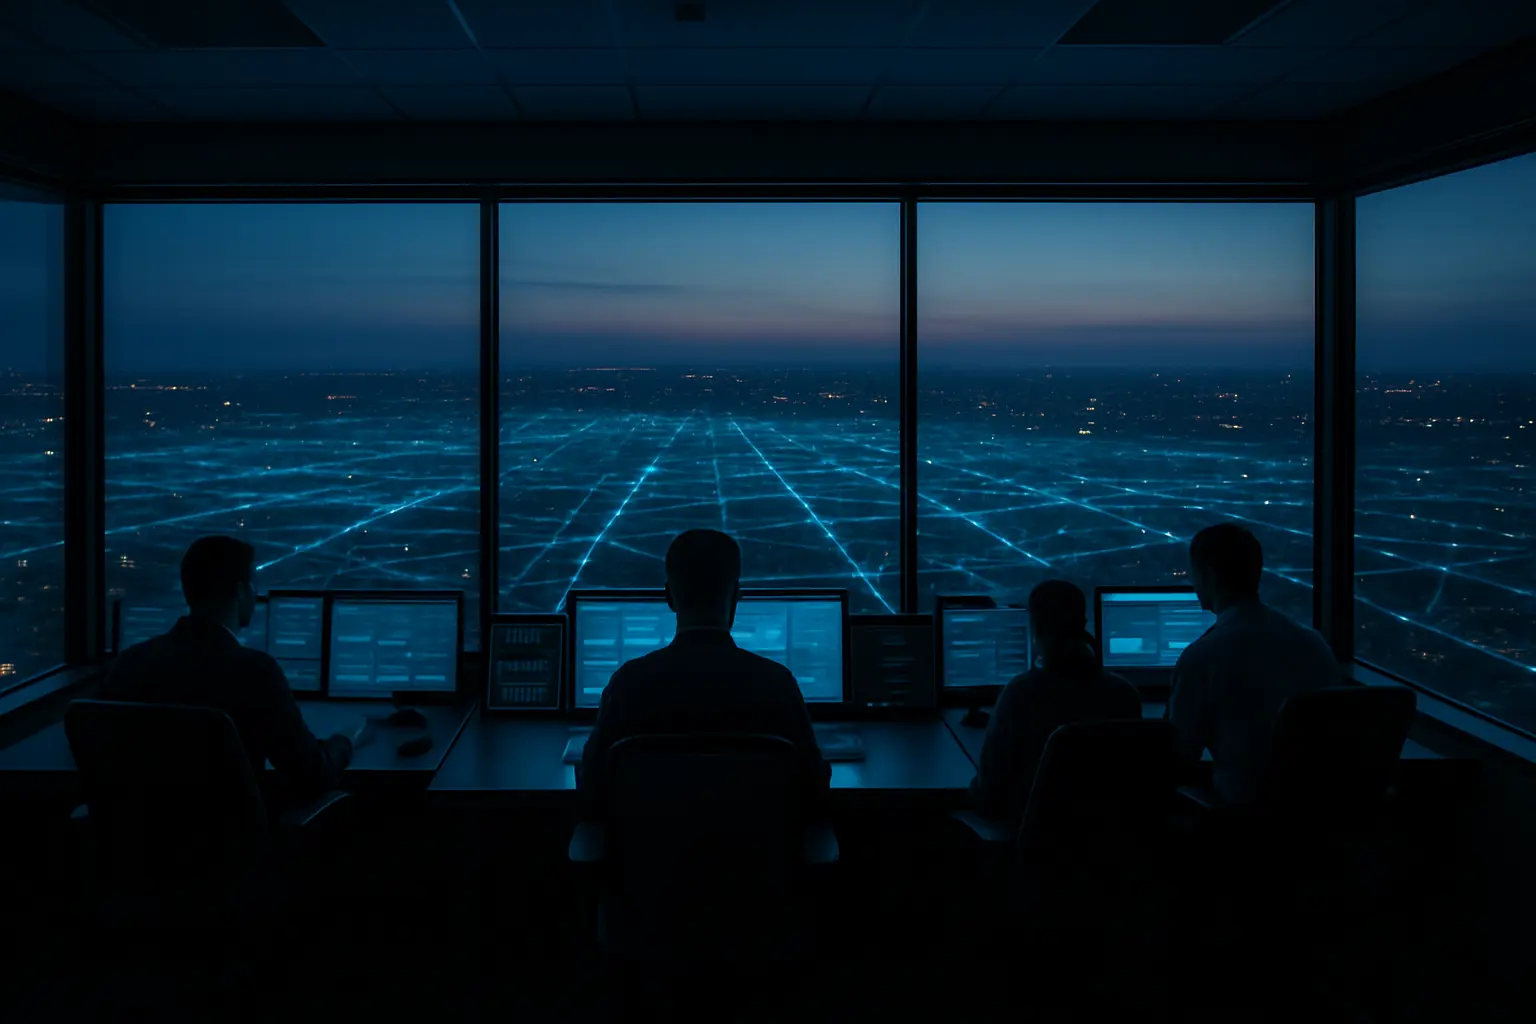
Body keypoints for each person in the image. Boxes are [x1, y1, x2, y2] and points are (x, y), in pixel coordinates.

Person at [577, 529, 830, 810]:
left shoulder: (627, 684)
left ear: (669, 597)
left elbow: (592, 783)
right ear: (736, 595)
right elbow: (814, 786)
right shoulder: (777, 684)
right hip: (759, 850)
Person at [102, 535, 370, 794]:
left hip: (141, 834)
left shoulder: (130, 663)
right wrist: (346, 738)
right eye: (253, 585)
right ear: (241, 592)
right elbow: (313, 774)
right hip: (232, 837)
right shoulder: (255, 671)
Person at [1168, 523, 1341, 804]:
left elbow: (1181, 754)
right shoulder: (1313, 643)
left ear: (1209, 576)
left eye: (1193, 573)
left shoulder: (1203, 655)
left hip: (1243, 816)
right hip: (1321, 812)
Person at [970, 580, 1142, 827]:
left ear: (1035, 627)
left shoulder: (1020, 694)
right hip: (1112, 842)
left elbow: (988, 790)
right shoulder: (1125, 694)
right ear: (1083, 625)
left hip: (1036, 844)